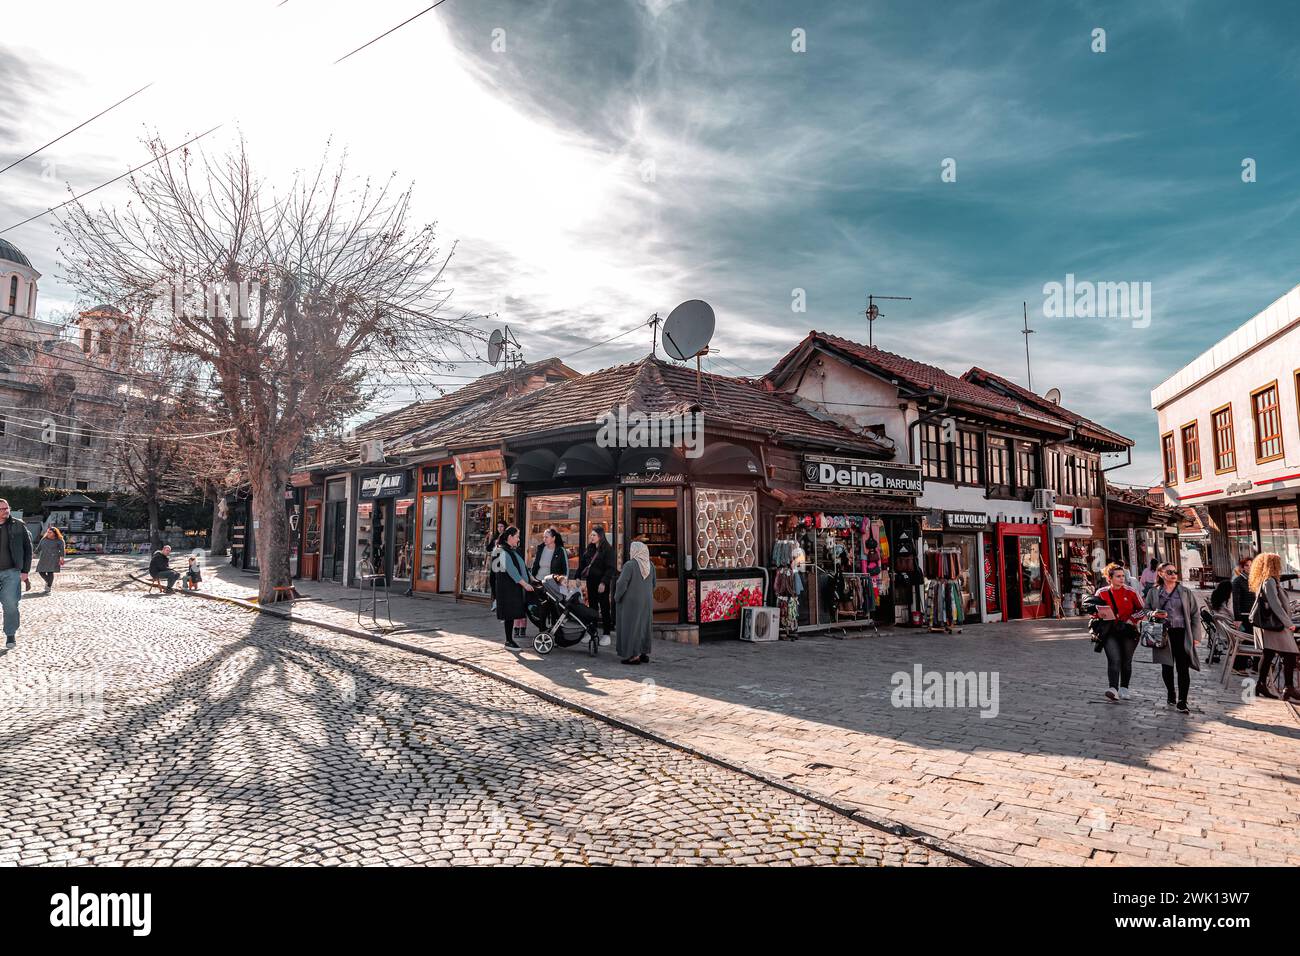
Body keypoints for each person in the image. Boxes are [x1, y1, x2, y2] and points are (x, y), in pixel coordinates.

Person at [1143, 562, 1203, 714]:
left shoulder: (1184, 592)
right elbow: (1146, 609)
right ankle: (1171, 692)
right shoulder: (1154, 592)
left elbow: (1195, 614)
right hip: (1163, 633)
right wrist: (1153, 614)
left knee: (1183, 667)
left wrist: (1196, 636)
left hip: (1182, 633)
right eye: (1169, 572)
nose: (1173, 574)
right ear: (1161, 574)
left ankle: (1182, 701)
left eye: (1175, 571)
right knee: (1167, 666)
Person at [1088, 562, 1143, 702]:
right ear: (1109, 578)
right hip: (1109, 631)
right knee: (1114, 659)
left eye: (1123, 576)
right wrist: (1098, 615)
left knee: (1126, 661)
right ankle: (1113, 688)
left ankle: (1124, 688)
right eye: (1118, 576)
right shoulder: (1102, 593)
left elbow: (1143, 609)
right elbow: (1094, 611)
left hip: (1128, 630)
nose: (1121, 579)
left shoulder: (1131, 592)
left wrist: (1132, 619)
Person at [1248, 552, 1299, 702]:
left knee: (1269, 653)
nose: (1281, 566)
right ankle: (1288, 688)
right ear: (1273, 565)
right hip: (1275, 625)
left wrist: (1295, 576)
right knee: (1290, 653)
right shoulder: (1269, 581)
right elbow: (1275, 605)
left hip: (1269, 626)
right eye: (1278, 563)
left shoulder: (1265, 580)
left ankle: (1261, 684)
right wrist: (1289, 624)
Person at [615, 540, 655, 665]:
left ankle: (633, 656)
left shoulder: (630, 565)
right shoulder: (651, 565)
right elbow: (653, 584)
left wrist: (617, 597)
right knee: (643, 626)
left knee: (631, 627)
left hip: (630, 602)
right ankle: (643, 652)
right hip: (646, 601)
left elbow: (621, 583)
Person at [0, 499, 32, 652]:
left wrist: (25, 571)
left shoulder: (18, 525)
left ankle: (10, 634)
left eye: (7, 508)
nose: (5, 511)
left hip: (12, 572)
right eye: (1, 509)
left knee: (10, 603)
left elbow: (28, 548)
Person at [494, 527, 532, 649]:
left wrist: (532, 579)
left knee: (510, 614)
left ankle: (509, 640)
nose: (518, 539)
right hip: (507, 588)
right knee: (508, 614)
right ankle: (509, 641)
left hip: (511, 587)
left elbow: (522, 567)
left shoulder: (511, 550)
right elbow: (512, 571)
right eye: (517, 536)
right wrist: (525, 584)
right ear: (510, 537)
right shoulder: (503, 551)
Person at [578, 525, 615, 644]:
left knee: (604, 608)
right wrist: (577, 576)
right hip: (591, 582)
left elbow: (610, 568)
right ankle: (592, 632)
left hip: (602, 583)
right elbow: (583, 564)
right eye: (591, 535)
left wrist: (604, 582)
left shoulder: (608, 550)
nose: (591, 537)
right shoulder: (590, 548)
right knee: (592, 608)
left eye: (594, 535)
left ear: (600, 536)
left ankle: (606, 634)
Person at [35, 525, 65, 591]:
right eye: (48, 532)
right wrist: (34, 554)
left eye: (50, 532)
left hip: (53, 558)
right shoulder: (44, 539)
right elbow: (39, 547)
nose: (48, 533)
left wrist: (62, 558)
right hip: (43, 557)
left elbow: (62, 550)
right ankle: (48, 582)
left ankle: (48, 586)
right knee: (40, 571)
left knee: (50, 572)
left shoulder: (59, 540)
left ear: (54, 533)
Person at [487, 520, 506, 612]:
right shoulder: (495, 537)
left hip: (502, 561)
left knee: (500, 581)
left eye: (502, 526)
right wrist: (493, 543)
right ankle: (495, 600)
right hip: (495, 560)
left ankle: (500, 602)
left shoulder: (506, 537)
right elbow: (488, 548)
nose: (500, 528)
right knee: (492, 580)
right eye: (498, 526)